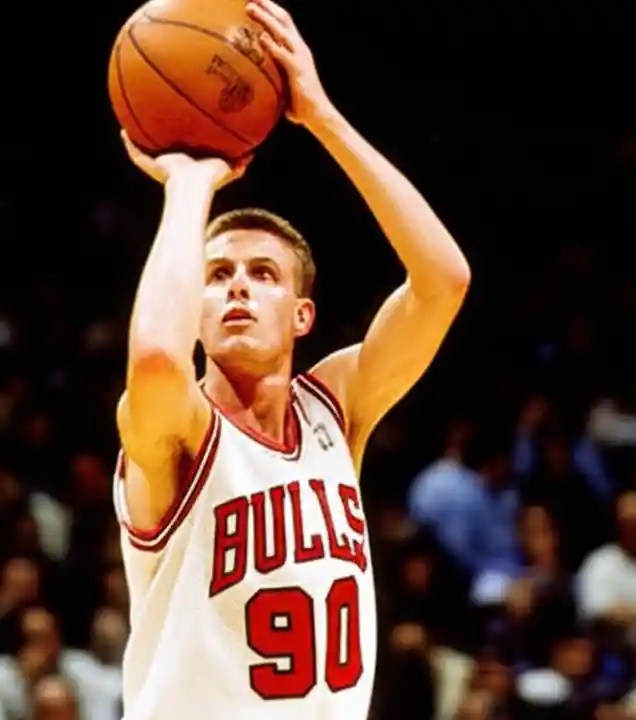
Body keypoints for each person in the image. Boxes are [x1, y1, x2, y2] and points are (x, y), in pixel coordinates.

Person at [110, 0, 470, 718]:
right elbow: (154, 359)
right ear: (197, 311)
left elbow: (444, 281)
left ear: (303, 316)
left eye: (263, 274)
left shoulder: (335, 408)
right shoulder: (178, 430)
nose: (238, 283)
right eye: (217, 275)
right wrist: (189, 186)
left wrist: (323, 117)